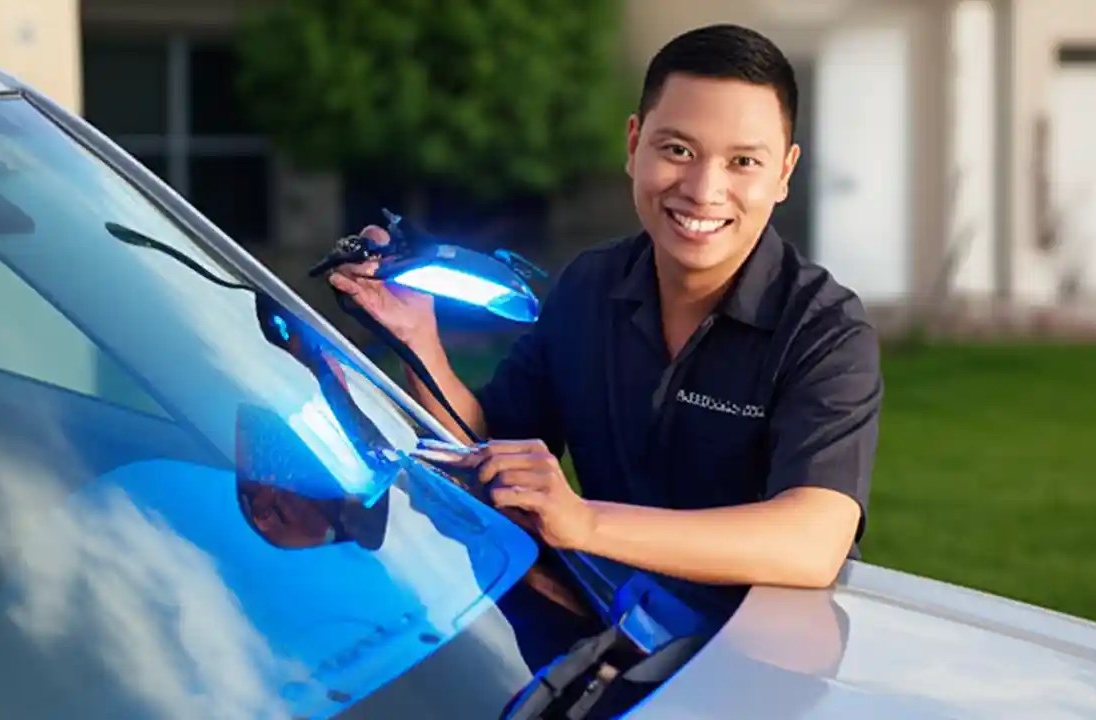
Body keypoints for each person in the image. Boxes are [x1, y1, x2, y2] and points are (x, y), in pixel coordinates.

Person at [329, 24, 882, 624]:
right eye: (678, 150)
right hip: (603, 646)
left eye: (743, 161)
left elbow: (812, 540)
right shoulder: (591, 286)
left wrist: (586, 523)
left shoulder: (825, 332)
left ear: (784, 172)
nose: (703, 190)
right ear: (634, 142)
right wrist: (417, 340)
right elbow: (486, 450)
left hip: (757, 664)